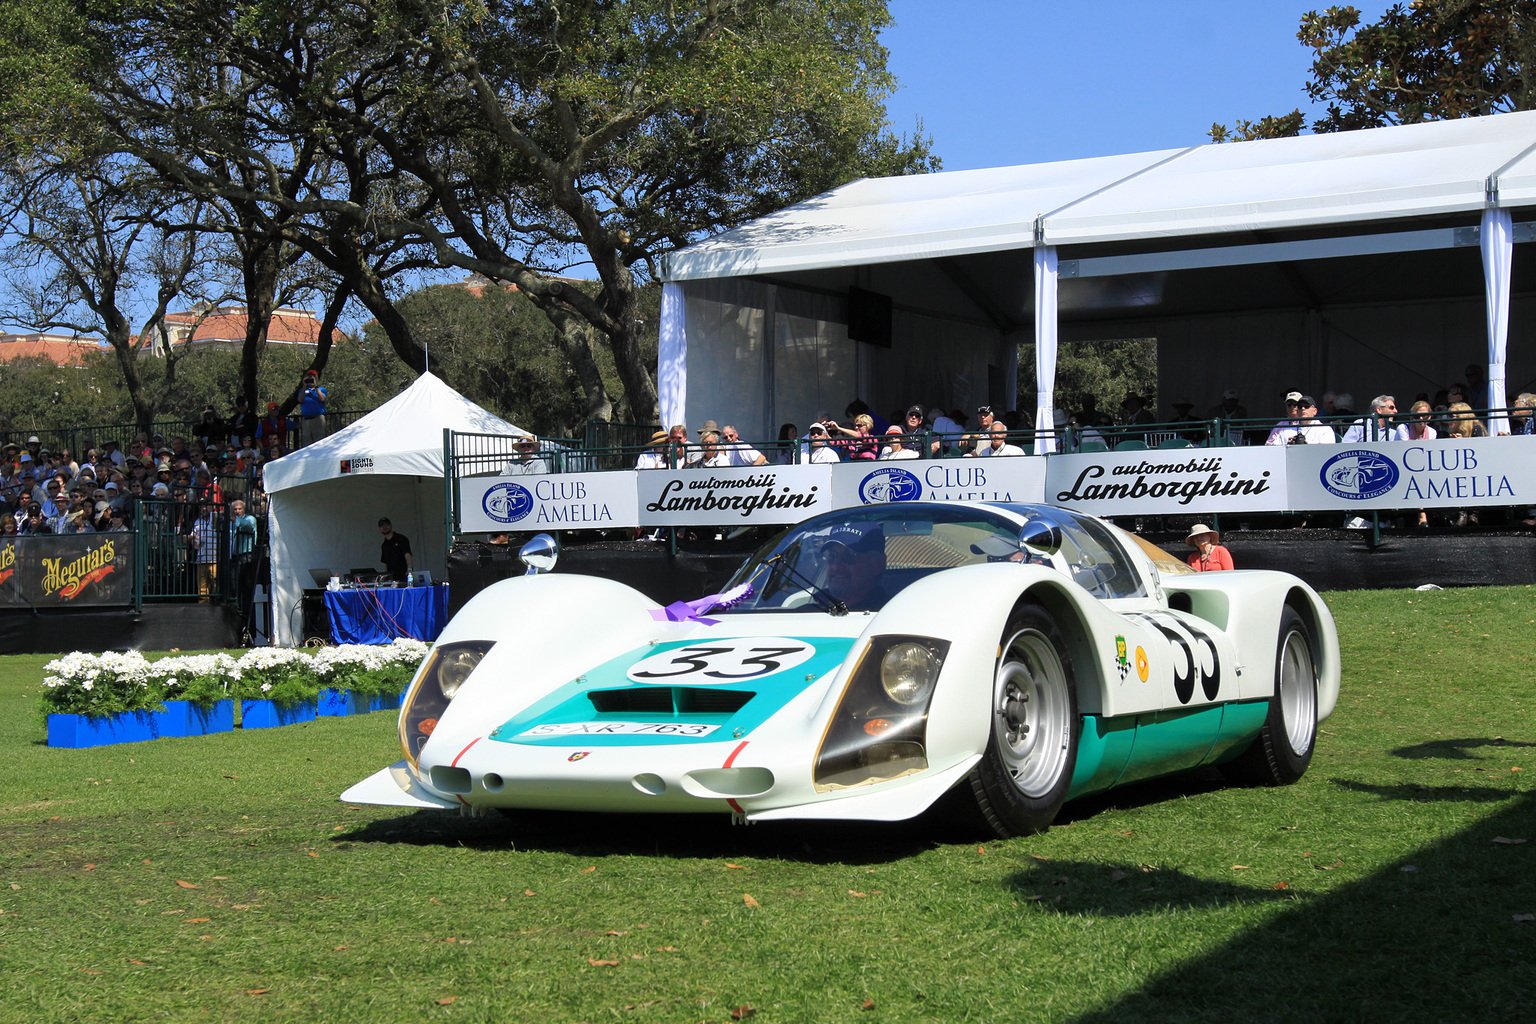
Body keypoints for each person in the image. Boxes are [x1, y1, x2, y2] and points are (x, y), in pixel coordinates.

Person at [820, 523, 888, 611]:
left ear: (877, 564)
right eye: (831, 557)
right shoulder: (808, 611)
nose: (836, 567)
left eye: (847, 557)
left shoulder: (891, 613)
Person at [229, 498, 259, 640]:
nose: (237, 511)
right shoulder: (232, 523)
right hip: (234, 557)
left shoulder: (249, 519)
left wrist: (237, 520)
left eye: (239, 509)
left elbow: (248, 526)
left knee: (246, 589)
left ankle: (248, 623)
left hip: (247, 556)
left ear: (244, 509)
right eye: (235, 509)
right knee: (234, 587)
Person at [297, 369, 330, 447]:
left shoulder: (321, 389)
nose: (310, 380)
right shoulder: (303, 390)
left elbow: (322, 399)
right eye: (309, 377)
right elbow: (300, 400)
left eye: (313, 377)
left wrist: (316, 387)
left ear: (316, 379)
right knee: (306, 443)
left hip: (318, 419)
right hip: (306, 420)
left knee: (319, 442)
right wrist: (304, 386)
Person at [378, 517, 412, 582]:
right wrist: (386, 576)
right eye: (382, 525)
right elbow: (386, 562)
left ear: (391, 525)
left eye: (386, 524)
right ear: (380, 529)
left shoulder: (401, 539)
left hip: (404, 575)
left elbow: (407, 555)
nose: (384, 527)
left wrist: (409, 570)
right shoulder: (384, 545)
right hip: (392, 578)